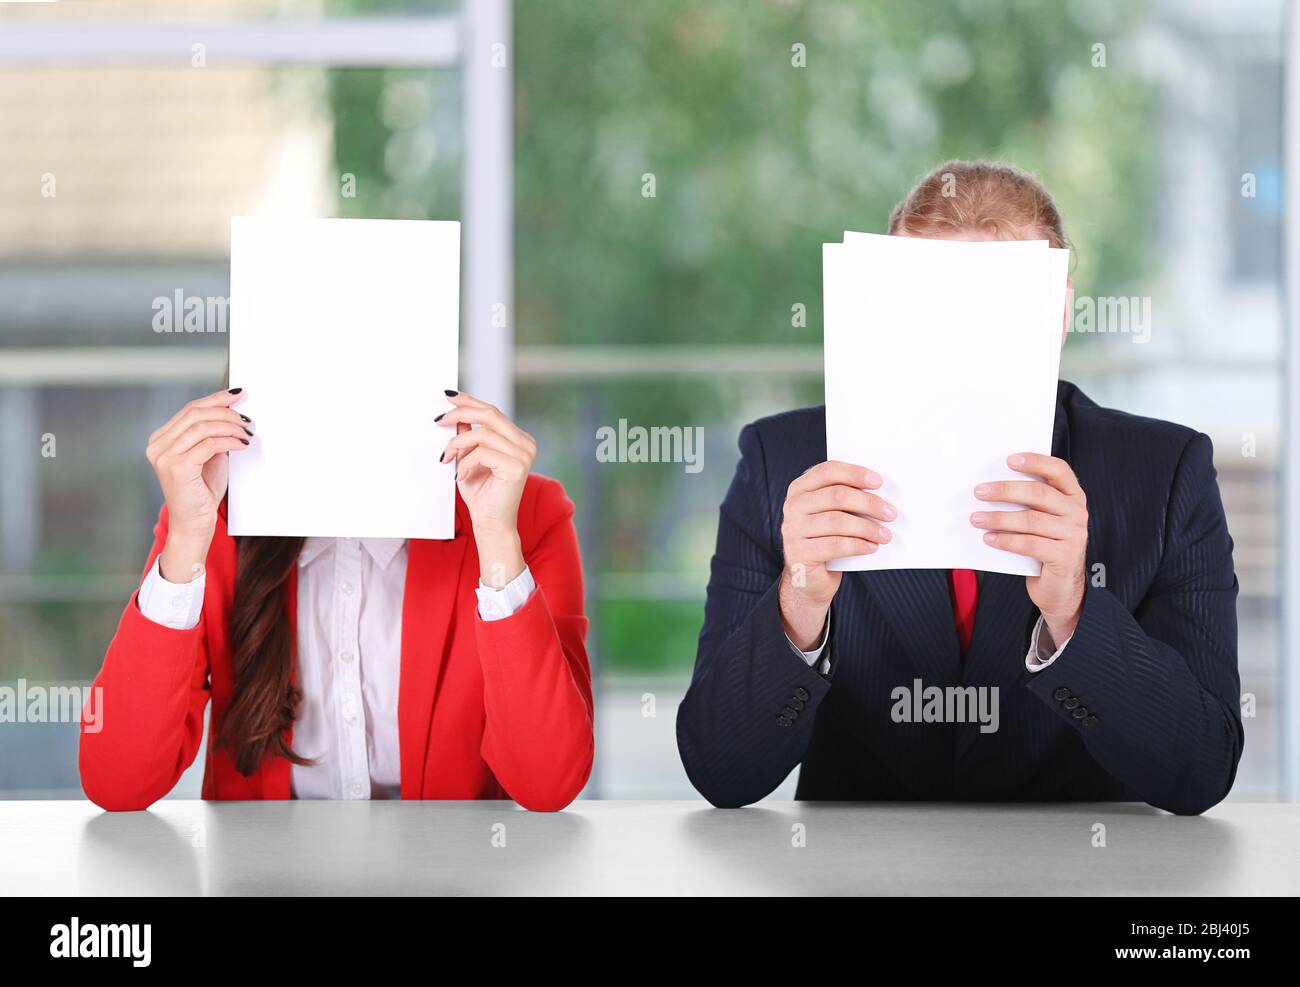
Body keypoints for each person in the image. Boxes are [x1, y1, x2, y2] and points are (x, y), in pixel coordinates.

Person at [677, 159, 1243, 815]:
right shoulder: (785, 463)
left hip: (1082, 875)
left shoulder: (1166, 473)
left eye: (995, 308)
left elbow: (1201, 770)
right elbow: (721, 771)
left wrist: (1073, 613)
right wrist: (798, 607)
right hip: (857, 876)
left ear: (1057, 315)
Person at [81, 387, 593, 811]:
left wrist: (497, 539)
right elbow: (118, 783)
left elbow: (547, 783)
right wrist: (188, 536)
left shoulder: (523, 514)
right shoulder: (208, 519)